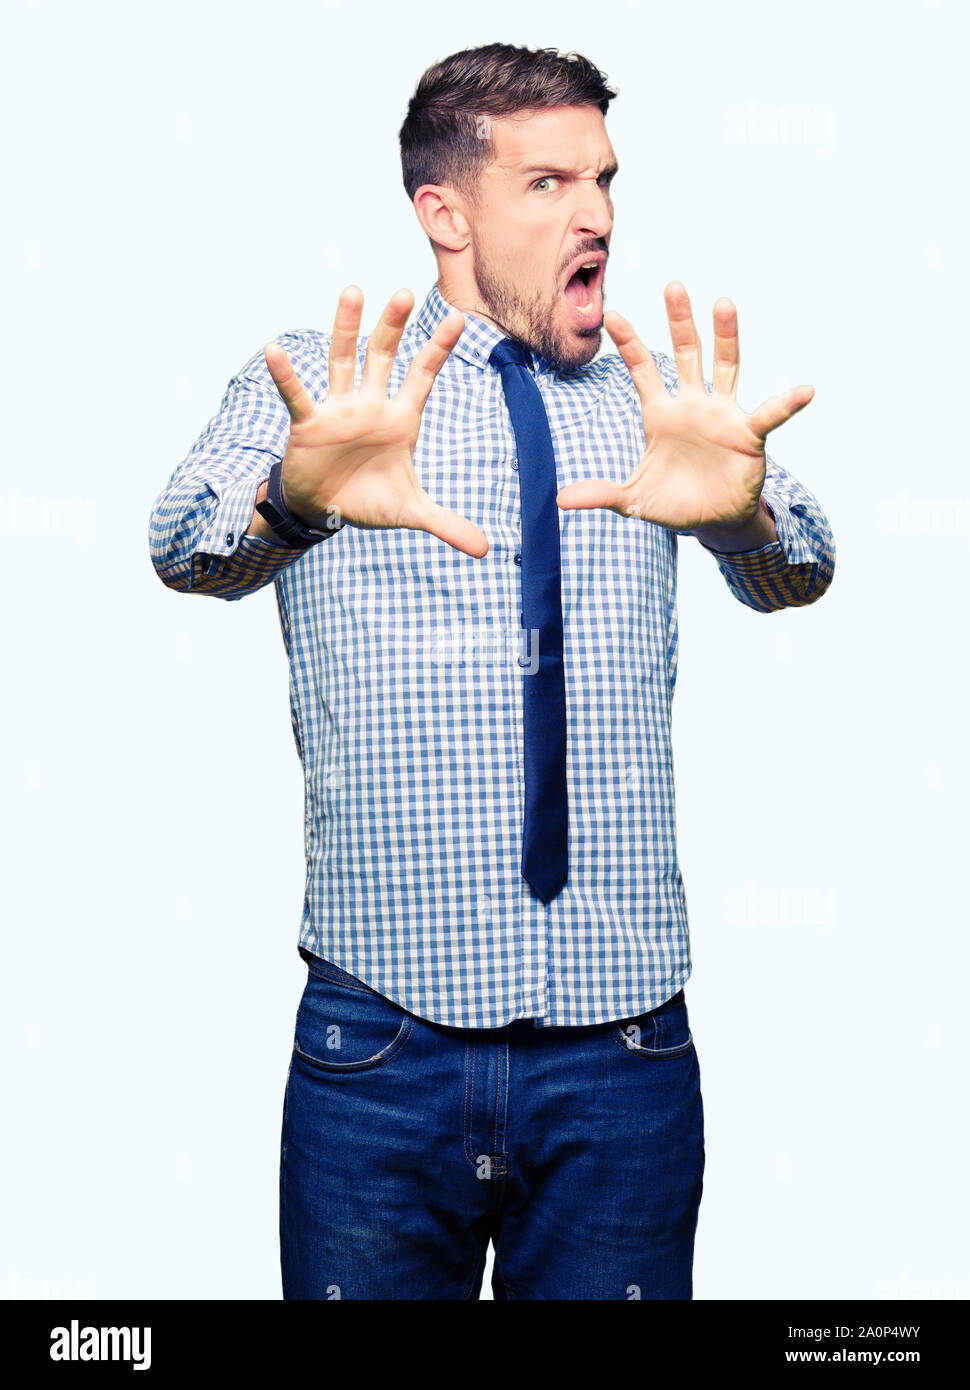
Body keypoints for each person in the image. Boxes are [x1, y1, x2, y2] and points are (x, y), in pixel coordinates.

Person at [148, 42, 835, 1301]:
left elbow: (799, 566)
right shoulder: (329, 384)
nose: (599, 215)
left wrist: (739, 518)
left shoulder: (656, 397)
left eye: (606, 180)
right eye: (549, 183)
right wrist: (290, 502)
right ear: (445, 212)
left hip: (621, 1056)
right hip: (379, 1052)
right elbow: (183, 542)